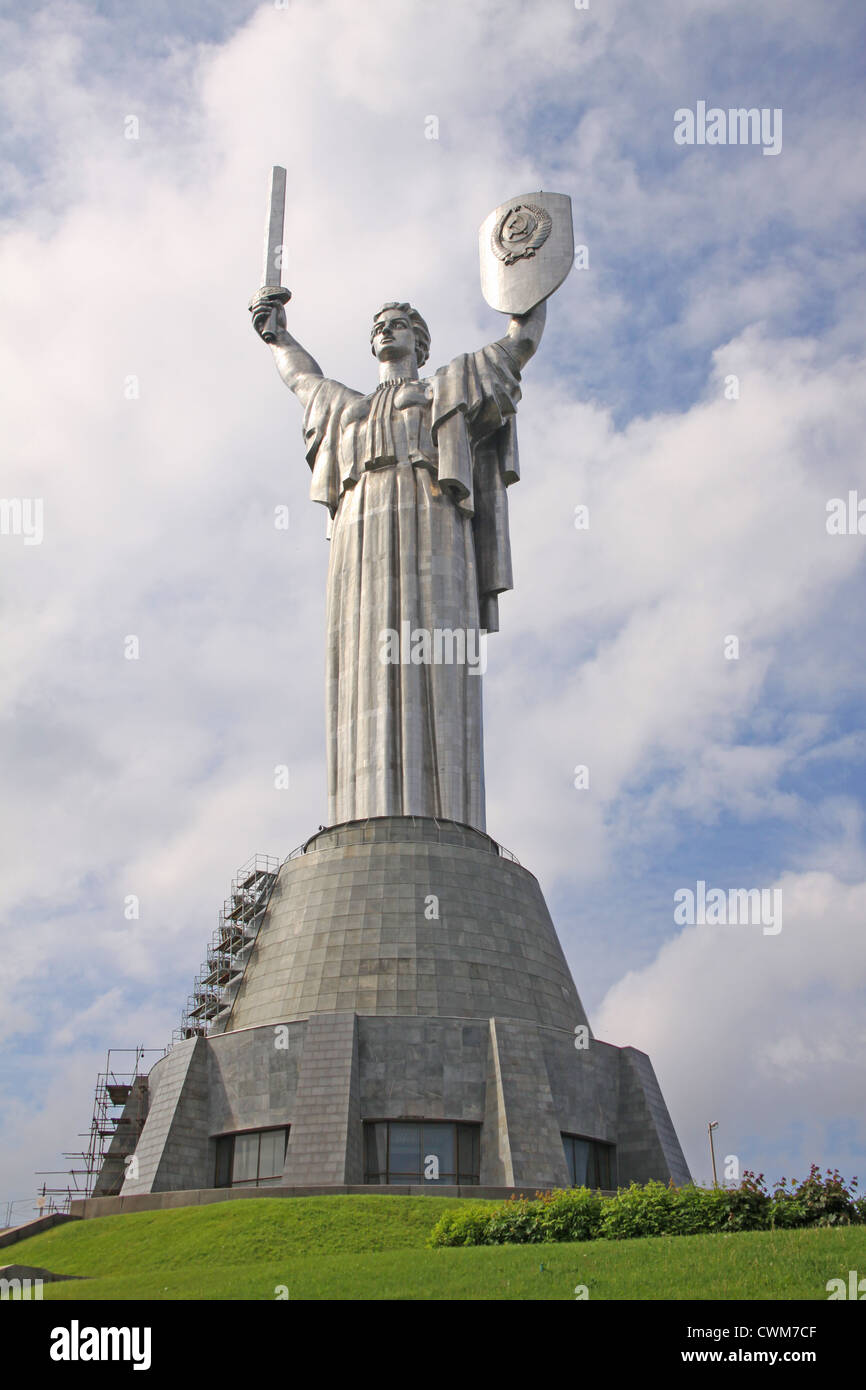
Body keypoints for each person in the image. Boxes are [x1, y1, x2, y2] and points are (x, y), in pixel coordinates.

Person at [249, 290, 546, 831]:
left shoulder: (447, 386)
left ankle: (444, 816)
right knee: (363, 656)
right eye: (379, 326)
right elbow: (301, 380)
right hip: (359, 530)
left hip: (432, 517)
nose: (386, 331)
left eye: (398, 325)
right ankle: (364, 812)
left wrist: (528, 280)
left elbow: (518, 343)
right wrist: (278, 336)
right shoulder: (347, 408)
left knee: (434, 651)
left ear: (420, 341)